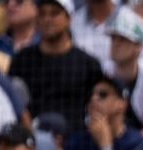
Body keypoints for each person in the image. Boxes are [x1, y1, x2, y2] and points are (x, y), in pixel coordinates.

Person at [9, 0, 104, 133]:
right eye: (42, 14)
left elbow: (97, 107)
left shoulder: (88, 64)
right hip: (32, 137)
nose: (47, 19)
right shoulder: (22, 60)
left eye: (54, 13)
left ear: (69, 18)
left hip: (75, 138)